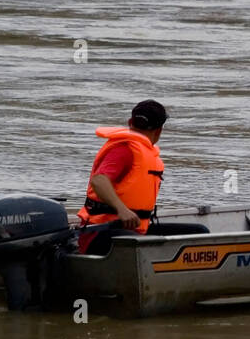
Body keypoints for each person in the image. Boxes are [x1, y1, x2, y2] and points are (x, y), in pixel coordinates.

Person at [76, 100, 209, 253]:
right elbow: (99, 181)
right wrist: (122, 210)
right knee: (147, 245)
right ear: (159, 130)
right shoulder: (125, 149)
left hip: (133, 230)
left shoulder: (139, 150)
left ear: (130, 122)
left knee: (199, 233)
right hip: (101, 233)